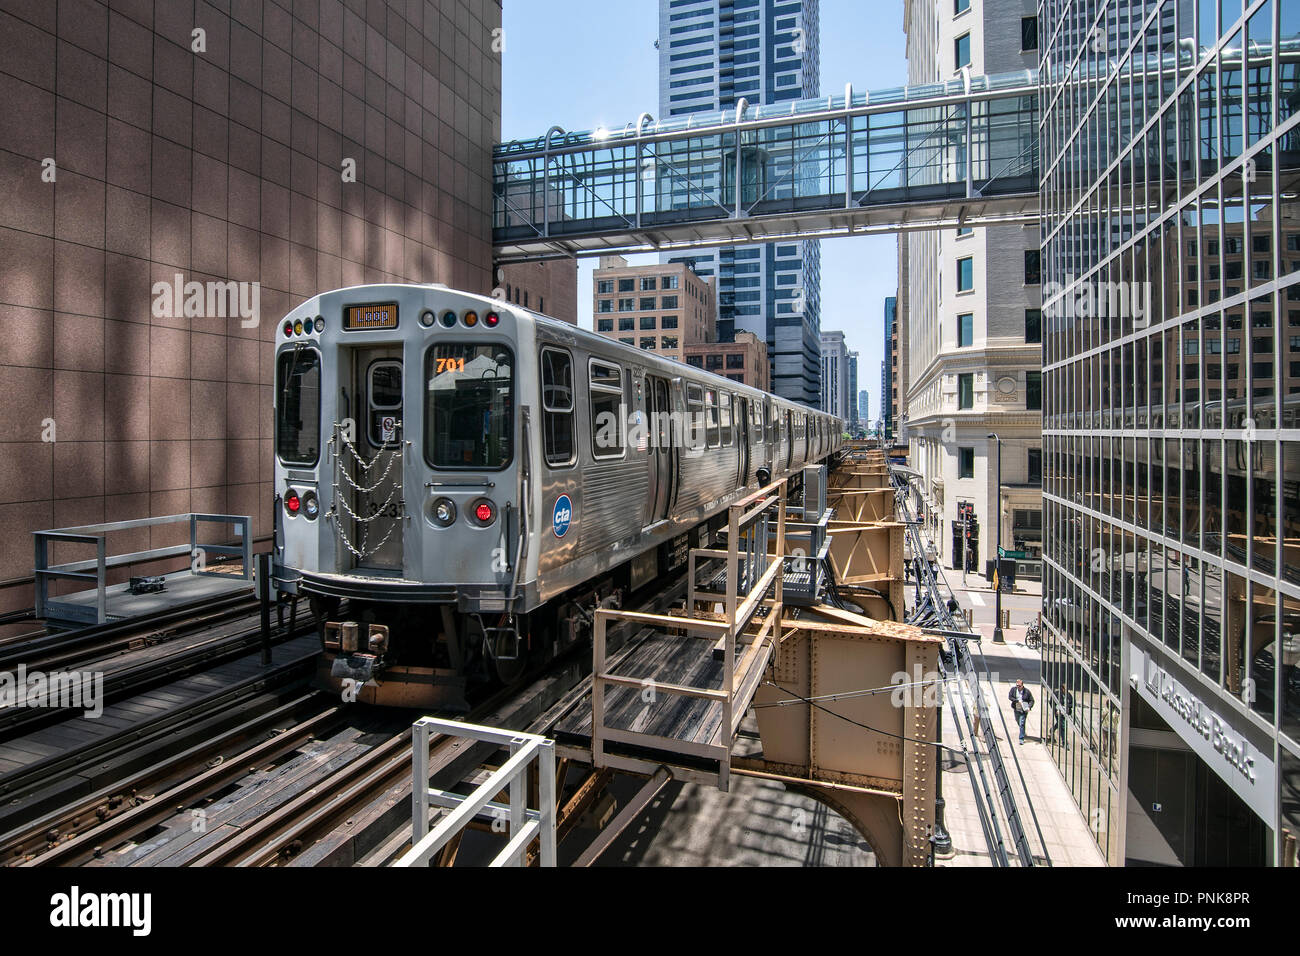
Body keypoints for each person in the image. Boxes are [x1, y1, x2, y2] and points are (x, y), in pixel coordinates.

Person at [1008, 679, 1035, 744]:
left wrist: (1029, 706)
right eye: (1017, 686)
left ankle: (1021, 738)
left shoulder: (1027, 691)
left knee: (1022, 723)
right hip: (1017, 706)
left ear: (1022, 685)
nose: (1018, 687)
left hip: (1024, 707)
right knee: (1018, 720)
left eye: (1019, 686)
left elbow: (1032, 700)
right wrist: (1016, 701)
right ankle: (1022, 730)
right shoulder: (1013, 690)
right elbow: (1010, 697)